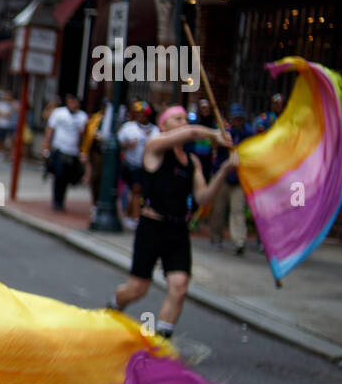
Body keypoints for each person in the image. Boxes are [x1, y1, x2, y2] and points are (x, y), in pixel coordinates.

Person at [108, 105, 234, 340]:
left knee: (179, 286)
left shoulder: (192, 161)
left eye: (185, 118)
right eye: (177, 119)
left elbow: (203, 197)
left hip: (178, 229)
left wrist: (225, 170)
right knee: (137, 289)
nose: (183, 122)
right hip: (151, 227)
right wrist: (214, 134)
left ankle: (160, 343)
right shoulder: (154, 147)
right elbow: (193, 134)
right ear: (163, 126)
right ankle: (113, 306)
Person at [209, 104, 252, 254]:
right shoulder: (224, 133)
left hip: (239, 179)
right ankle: (216, 237)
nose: (238, 121)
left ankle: (239, 241)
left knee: (237, 210)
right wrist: (219, 139)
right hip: (222, 177)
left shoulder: (249, 134)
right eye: (236, 118)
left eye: (240, 119)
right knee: (218, 210)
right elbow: (213, 148)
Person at [43, 92, 88, 212]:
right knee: (59, 175)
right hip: (59, 149)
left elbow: (83, 135)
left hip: (73, 151)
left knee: (68, 177)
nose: (74, 104)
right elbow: (50, 130)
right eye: (72, 102)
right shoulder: (59, 113)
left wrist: (82, 151)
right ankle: (57, 200)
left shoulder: (82, 117)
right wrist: (46, 147)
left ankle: (61, 199)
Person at [117, 101, 158, 225]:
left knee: (139, 191)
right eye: (138, 114)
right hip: (132, 164)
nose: (141, 117)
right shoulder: (129, 127)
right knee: (136, 189)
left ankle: (128, 214)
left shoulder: (155, 130)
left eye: (143, 114)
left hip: (147, 166)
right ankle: (135, 218)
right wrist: (128, 145)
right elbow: (118, 143)